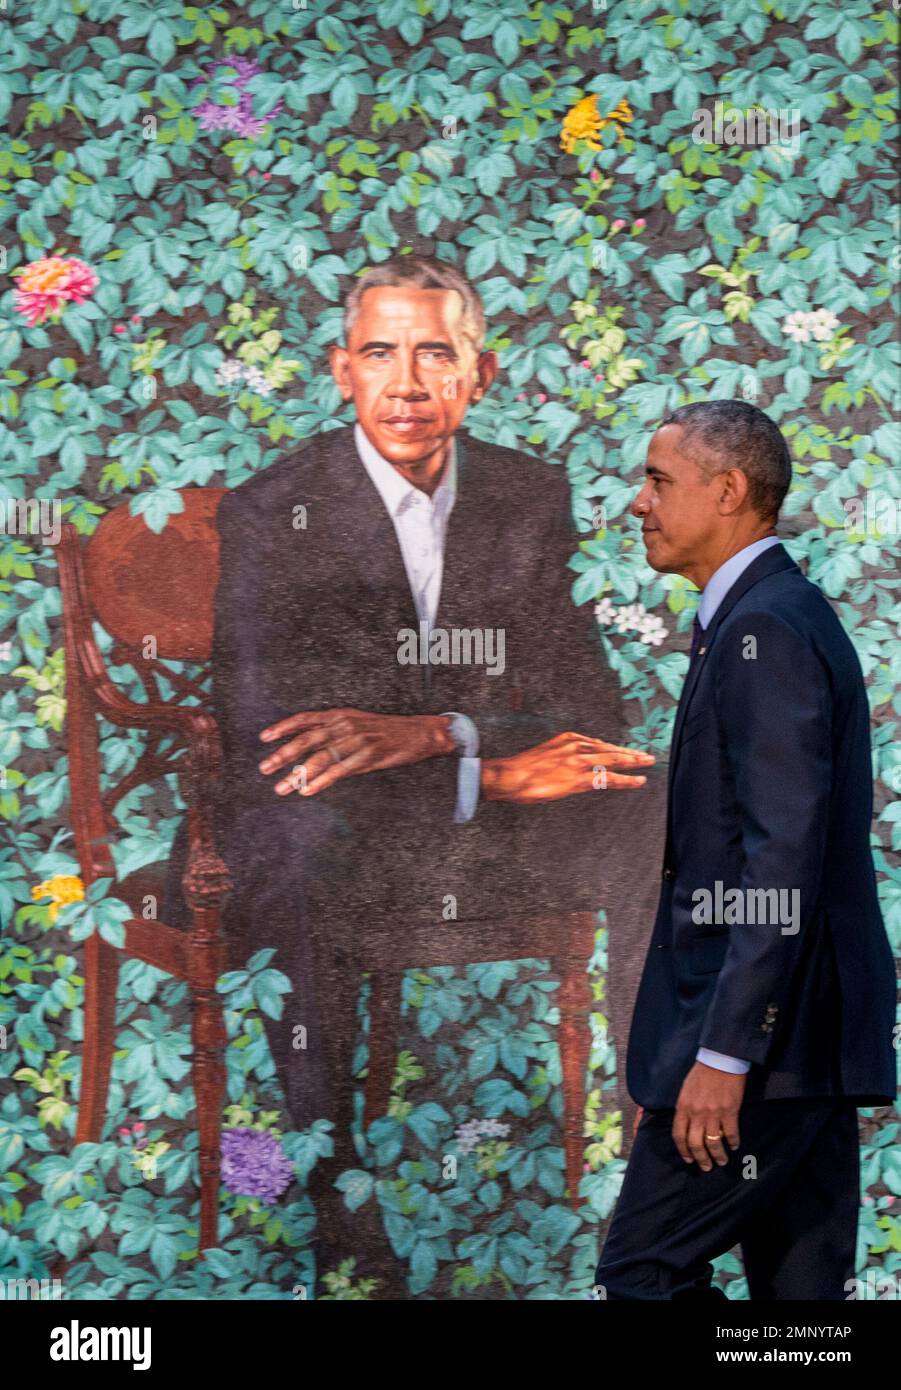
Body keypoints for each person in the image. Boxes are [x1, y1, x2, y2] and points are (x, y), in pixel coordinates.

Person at [165, 255, 656, 1297]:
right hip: (320, 825)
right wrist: (486, 771)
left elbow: (585, 706)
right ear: (341, 370)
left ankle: (652, 1131)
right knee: (296, 829)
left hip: (471, 808)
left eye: (437, 351)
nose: (408, 382)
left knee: (644, 797)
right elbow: (275, 736)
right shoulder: (274, 510)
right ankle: (336, 1186)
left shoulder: (529, 495)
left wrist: (445, 735)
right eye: (380, 352)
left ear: (480, 374)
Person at [594, 399, 897, 1301]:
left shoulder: (764, 630)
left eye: (656, 481)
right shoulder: (767, 616)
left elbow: (781, 862)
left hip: (767, 1055)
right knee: (801, 1315)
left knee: (640, 1278)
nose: (635, 504)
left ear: (727, 491)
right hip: (801, 1048)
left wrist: (723, 1057)